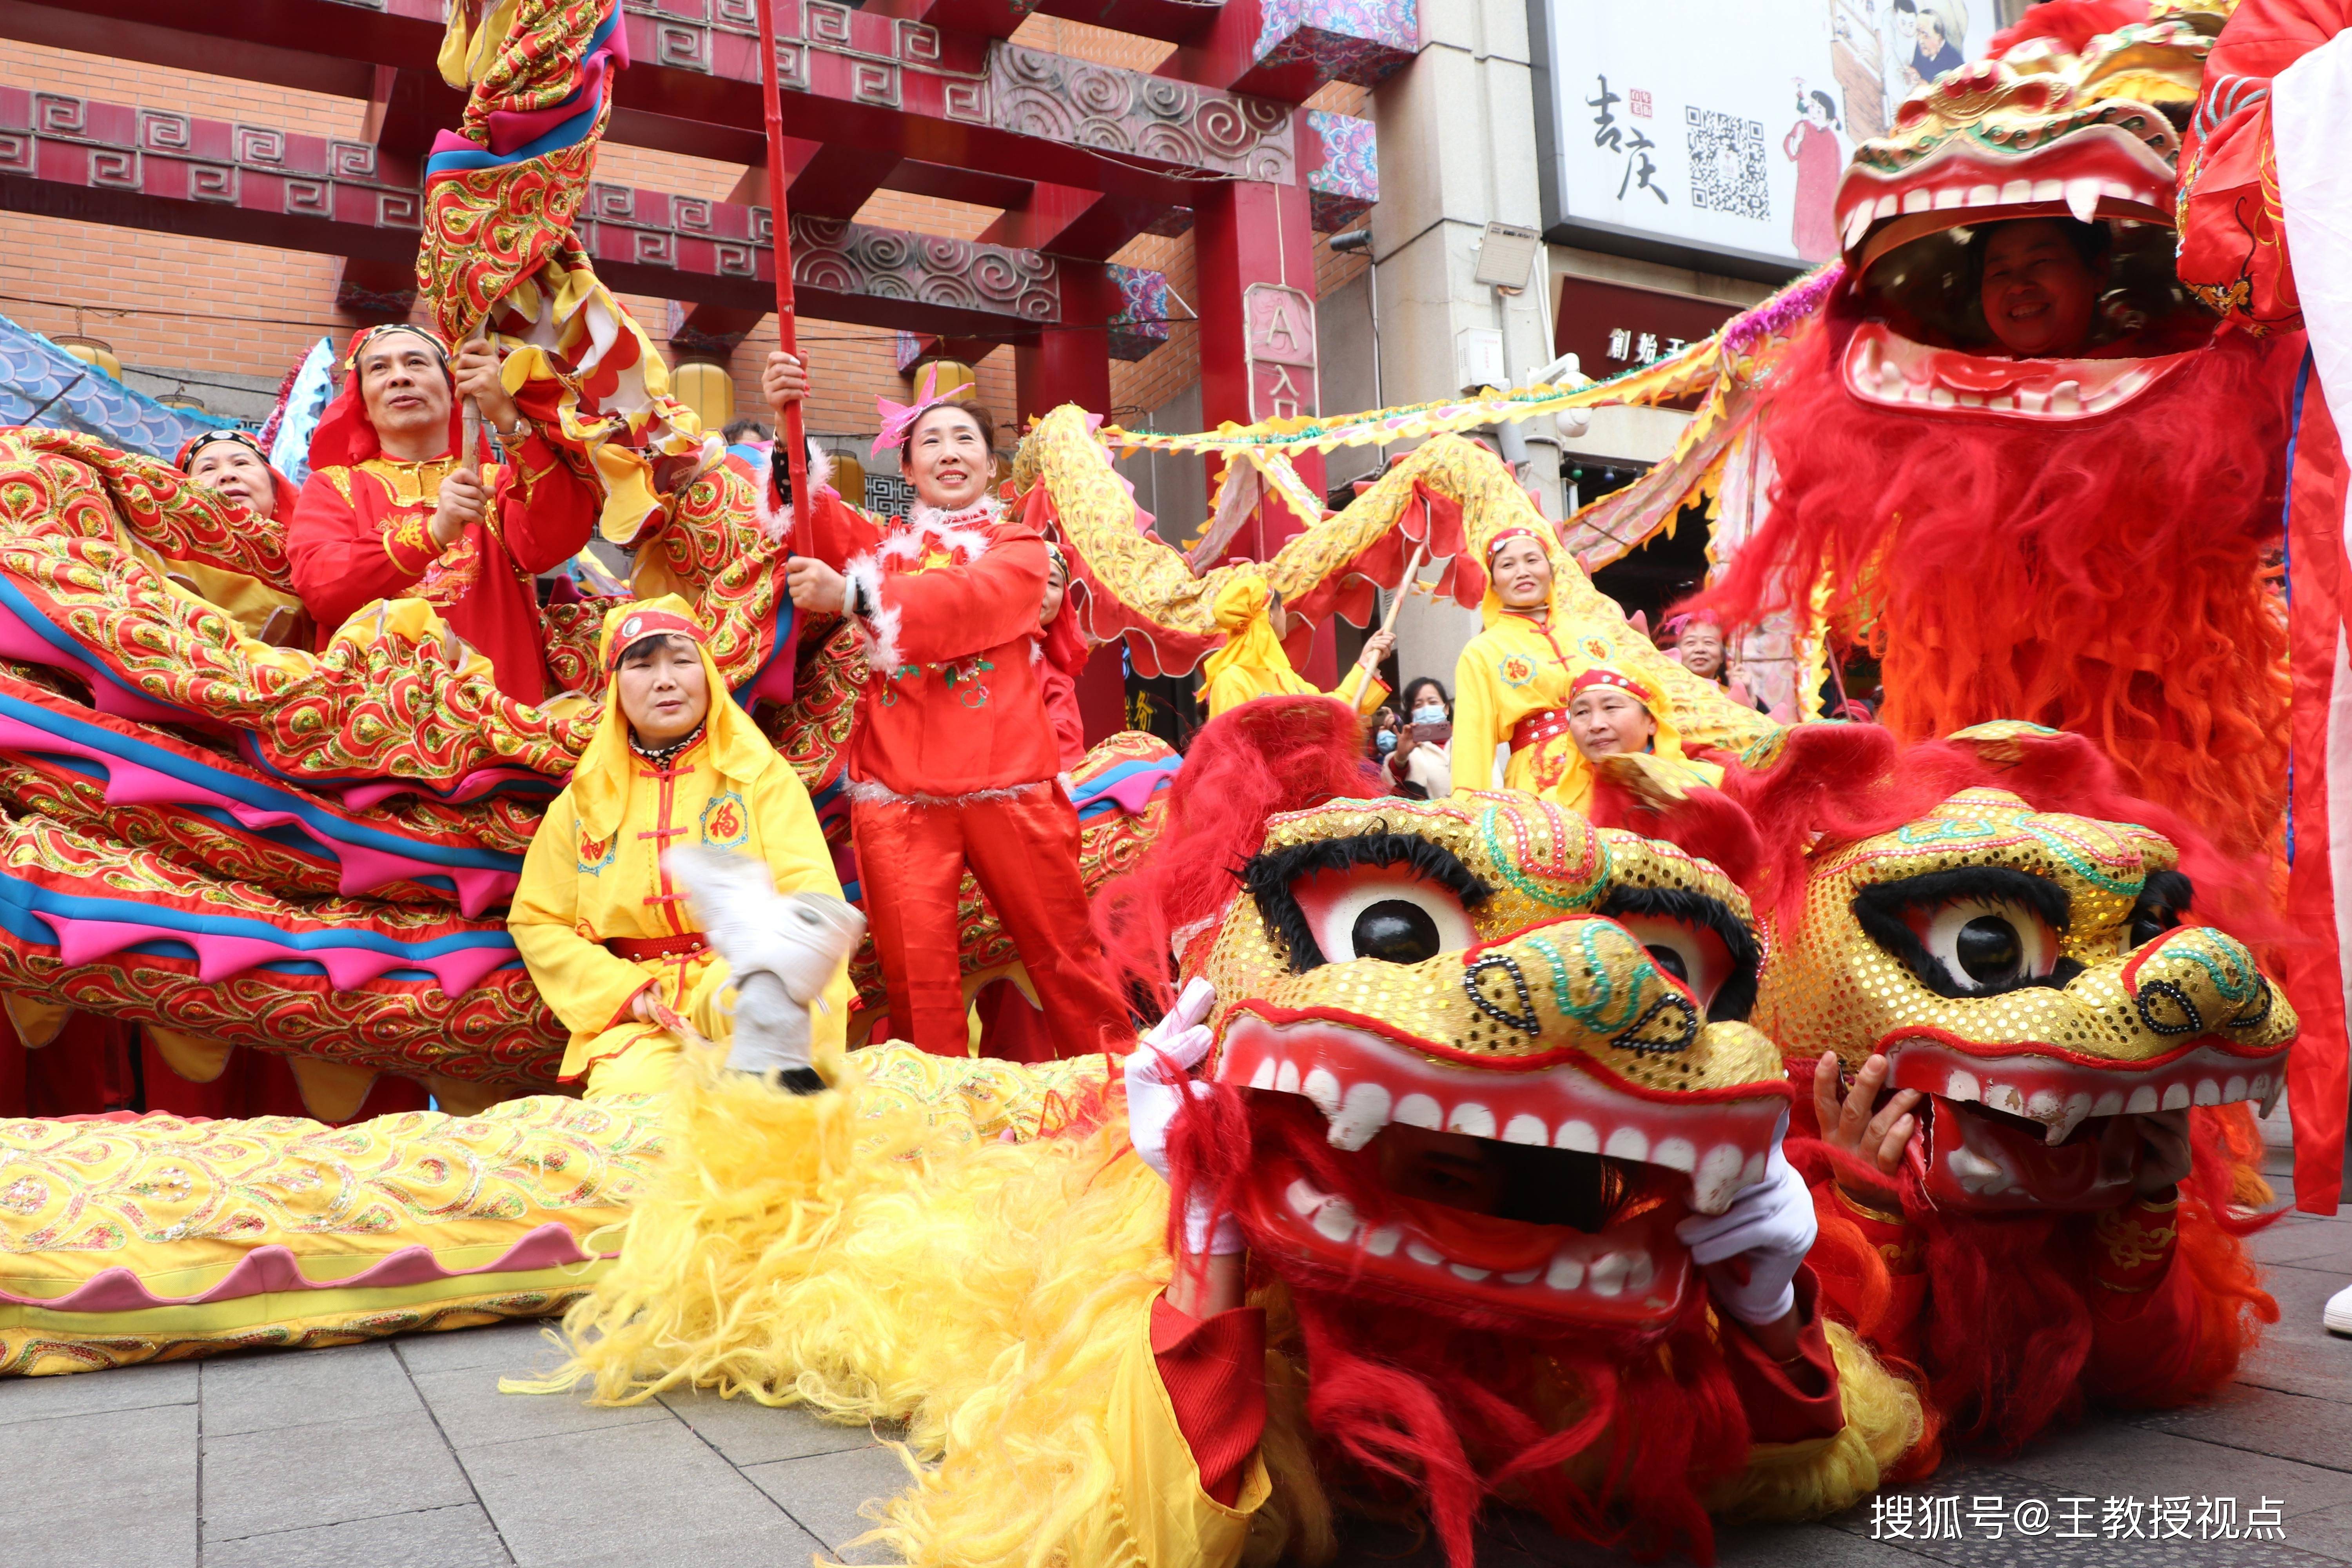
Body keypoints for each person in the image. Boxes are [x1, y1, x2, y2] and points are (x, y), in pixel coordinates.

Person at [762, 350, 1128, 1059]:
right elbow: (811, 515)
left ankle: (1119, 1098)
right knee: (918, 990)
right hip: (896, 797)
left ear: (991, 468)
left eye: (966, 440)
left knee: (1068, 962)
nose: (950, 453)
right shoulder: (882, 547)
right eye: (931, 441)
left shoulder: (1022, 549)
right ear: (907, 472)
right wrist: (787, 423)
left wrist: (852, 597)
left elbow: (972, 603)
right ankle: (936, 1135)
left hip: (1012, 788)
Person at [508, 596, 851, 1100]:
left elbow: (812, 890)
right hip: (646, 1006)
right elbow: (536, 919)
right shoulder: (582, 803)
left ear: (708, 674)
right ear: (615, 688)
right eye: (642, 665)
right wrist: (621, 990)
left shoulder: (759, 776)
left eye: (682, 661)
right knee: (626, 1101)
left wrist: (763, 963)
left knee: (759, 1038)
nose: (664, 680)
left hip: (745, 975)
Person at [286, 323, 598, 701]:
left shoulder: (496, 483)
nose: (400, 377)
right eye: (379, 368)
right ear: (362, 404)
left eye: (416, 363)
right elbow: (323, 589)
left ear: (455, 391)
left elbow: (557, 539)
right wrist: (432, 533)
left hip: (498, 723)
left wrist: (504, 415)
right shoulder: (332, 486)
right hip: (373, 724)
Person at [1454, 528, 1721, 815]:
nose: (1523, 572)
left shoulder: (1597, 631)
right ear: (1493, 583)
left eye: (1532, 560)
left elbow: (1644, 702)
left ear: (1552, 571)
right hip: (1539, 782)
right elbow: (1473, 741)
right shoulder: (1481, 651)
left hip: (1616, 767)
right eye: (1508, 565)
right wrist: (1467, 812)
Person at [1199, 572, 1393, 719]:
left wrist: (1366, 663)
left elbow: (1332, 710)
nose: (1286, 612)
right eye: (1281, 606)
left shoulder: (1285, 677)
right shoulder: (1231, 679)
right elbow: (1233, 755)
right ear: (1270, 614)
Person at [1971, 216, 2115, 359]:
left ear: (2098, 271)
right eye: (1999, 273)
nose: (2018, 286)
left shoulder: (2134, 371)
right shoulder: (1960, 374)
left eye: (2041, 261)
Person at [1036, 543, 1089, 773]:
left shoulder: (1055, 683)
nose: (1041, 589)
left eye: (1053, 583)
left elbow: (1066, 759)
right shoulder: (958, 651)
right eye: (1030, 576)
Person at [176, 429, 298, 523]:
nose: (227, 475)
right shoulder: (160, 556)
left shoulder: (307, 552)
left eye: (241, 463)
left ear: (274, 490)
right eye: (209, 468)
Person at [1785, 86, 1843, 263]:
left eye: (1820, 109)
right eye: (1813, 106)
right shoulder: (1803, 127)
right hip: (1806, 191)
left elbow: (1837, 171)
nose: (1815, 112)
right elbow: (1790, 150)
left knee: (1824, 231)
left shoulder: (1832, 139)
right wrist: (1798, 141)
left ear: (1827, 115)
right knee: (1807, 227)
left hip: (1826, 196)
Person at [1382, 674, 1454, 797]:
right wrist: (1401, 756)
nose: (1426, 709)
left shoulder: (1467, 739)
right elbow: (1396, 787)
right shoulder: (1409, 749)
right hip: (1428, 816)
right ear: (1412, 714)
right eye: (1419, 705)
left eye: (1433, 702)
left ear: (1446, 708)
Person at [1913, 0, 1966, 80]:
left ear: (1939, 36)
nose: (1921, 41)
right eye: (1918, 33)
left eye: (1925, 35)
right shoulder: (1921, 48)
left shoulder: (1955, 61)